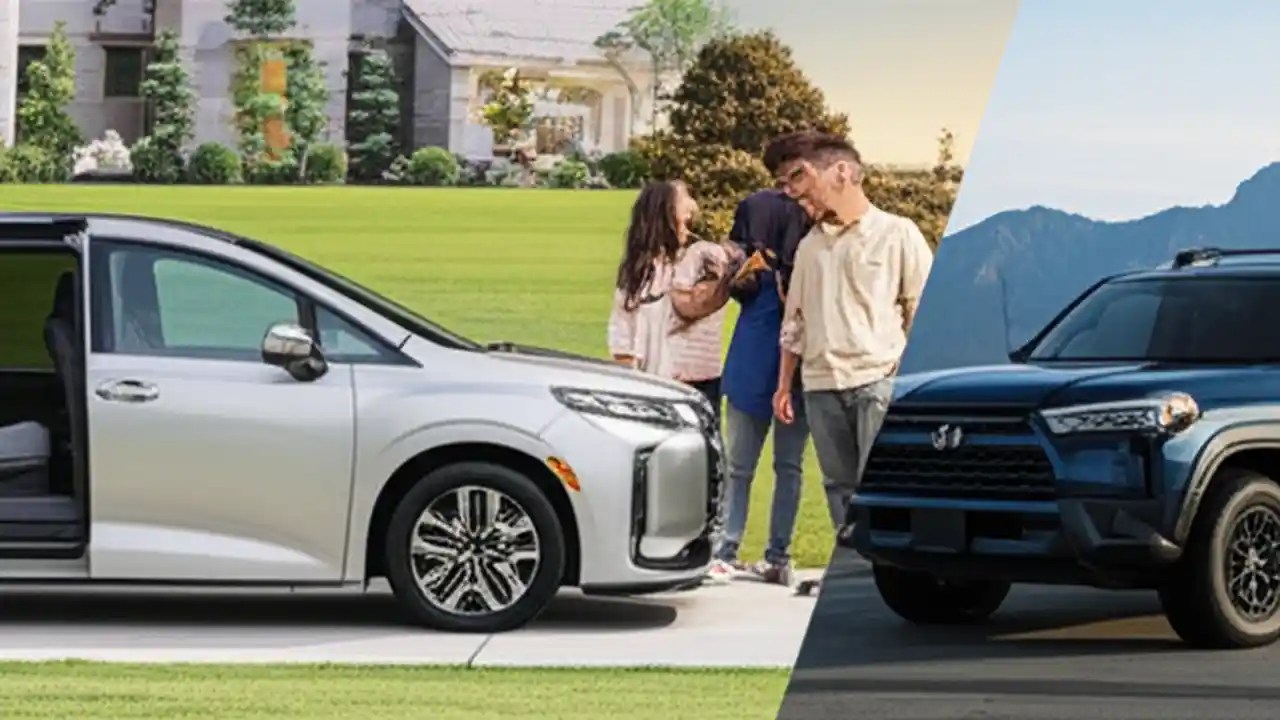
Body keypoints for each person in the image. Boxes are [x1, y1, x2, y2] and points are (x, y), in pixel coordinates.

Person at [764, 131, 934, 539]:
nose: (793, 192)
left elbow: (923, 311)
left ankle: (890, 572)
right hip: (821, 387)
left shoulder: (898, 234)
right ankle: (857, 567)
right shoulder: (809, 247)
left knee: (883, 487)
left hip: (879, 382)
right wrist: (784, 384)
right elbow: (795, 323)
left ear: (841, 172)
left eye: (799, 177)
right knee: (838, 489)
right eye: (786, 185)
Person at [705, 189, 815, 587]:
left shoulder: (753, 267)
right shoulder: (803, 265)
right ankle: (777, 555)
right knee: (788, 467)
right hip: (797, 375)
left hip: (752, 367)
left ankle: (726, 549)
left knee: (739, 467)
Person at [607, 179, 743, 413]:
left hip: (696, 377)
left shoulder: (704, 255)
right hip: (650, 380)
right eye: (684, 199)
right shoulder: (640, 268)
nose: (692, 205)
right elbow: (622, 327)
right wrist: (627, 373)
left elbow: (704, 300)